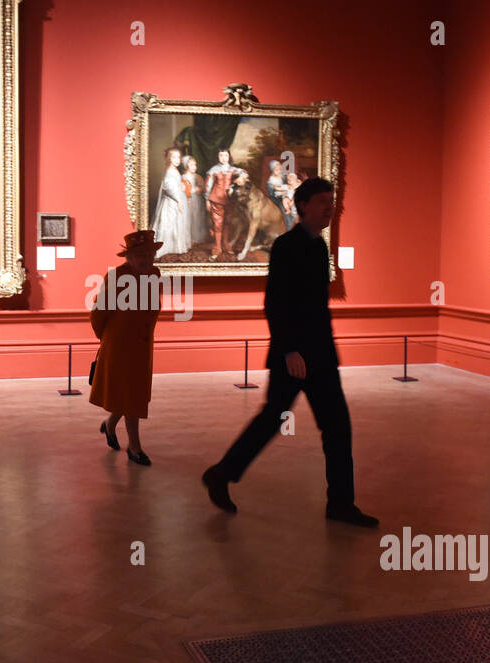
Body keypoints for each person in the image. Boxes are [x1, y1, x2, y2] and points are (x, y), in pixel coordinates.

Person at [202, 178, 378, 527]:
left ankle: (340, 504)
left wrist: (326, 350)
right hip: (293, 357)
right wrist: (289, 351)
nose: (330, 207)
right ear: (303, 205)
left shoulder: (318, 246)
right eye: (323, 201)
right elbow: (275, 304)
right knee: (273, 420)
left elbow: (317, 307)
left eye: (332, 200)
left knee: (337, 427)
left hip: (321, 356)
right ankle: (221, 473)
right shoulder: (286, 246)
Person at [90, 230, 163, 466]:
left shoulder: (154, 274)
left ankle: (110, 425)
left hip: (142, 344)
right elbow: (98, 313)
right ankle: (135, 447)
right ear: (129, 257)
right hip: (119, 344)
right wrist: (107, 339)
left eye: (150, 254)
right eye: (140, 255)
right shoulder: (117, 277)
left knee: (133, 392)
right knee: (132, 393)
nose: (146, 259)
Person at [204, 148, 247, 259]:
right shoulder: (213, 170)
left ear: (229, 157)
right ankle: (217, 247)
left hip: (229, 200)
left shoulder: (233, 169)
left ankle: (226, 244)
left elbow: (244, 173)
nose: (223, 158)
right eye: (221, 155)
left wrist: (242, 177)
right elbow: (208, 186)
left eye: (225, 155)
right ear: (218, 157)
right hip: (216, 200)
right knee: (218, 224)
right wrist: (207, 200)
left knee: (227, 222)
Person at [152, 146, 190, 258]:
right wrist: (178, 200)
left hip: (176, 199)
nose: (177, 160)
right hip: (171, 201)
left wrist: (182, 186)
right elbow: (168, 187)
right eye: (174, 157)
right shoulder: (169, 171)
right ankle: (165, 247)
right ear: (169, 159)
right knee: (169, 223)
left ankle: (176, 246)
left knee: (176, 222)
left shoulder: (175, 170)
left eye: (178, 157)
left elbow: (176, 184)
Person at [182, 155, 208, 246]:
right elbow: (183, 189)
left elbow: (202, 187)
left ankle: (197, 237)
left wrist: (200, 188)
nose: (194, 167)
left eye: (195, 165)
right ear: (186, 166)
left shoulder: (198, 176)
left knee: (198, 218)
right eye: (192, 165)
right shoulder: (183, 177)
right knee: (189, 218)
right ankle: (190, 238)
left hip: (197, 200)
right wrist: (191, 190)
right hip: (187, 200)